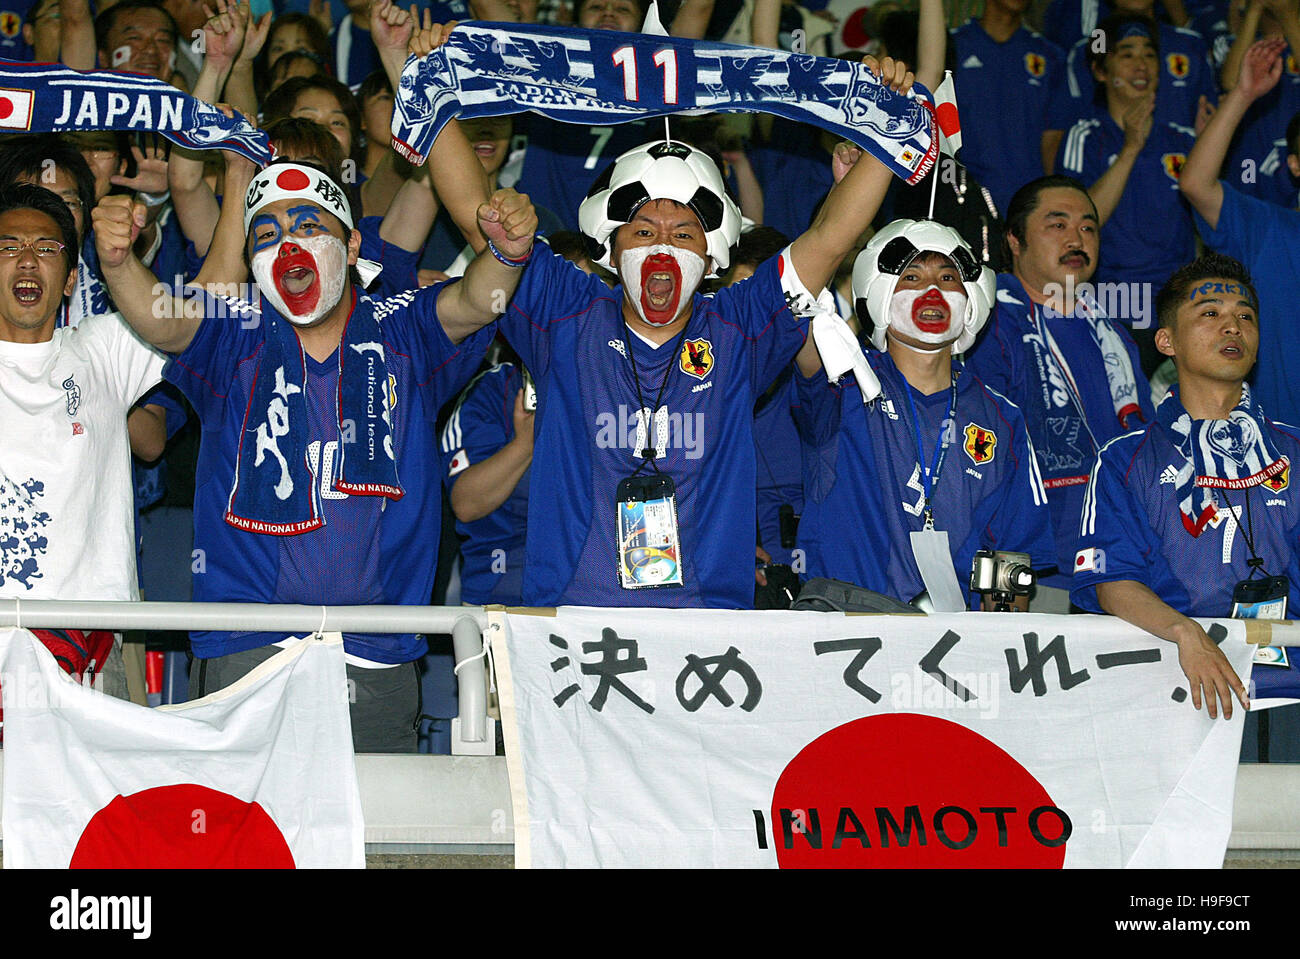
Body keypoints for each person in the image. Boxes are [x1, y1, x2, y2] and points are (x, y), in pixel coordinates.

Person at [91, 146, 536, 750]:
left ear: (352, 247)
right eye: (267, 234)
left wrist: (508, 249)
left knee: (372, 838)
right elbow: (161, 321)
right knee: (250, 840)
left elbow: (475, 300)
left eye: (309, 226)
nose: (289, 244)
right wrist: (118, 262)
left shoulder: (405, 332)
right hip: (247, 647)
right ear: (251, 263)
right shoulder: (232, 337)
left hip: (376, 652)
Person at [472, 37, 919, 607]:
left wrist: (880, 124)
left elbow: (830, 240)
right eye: (642, 232)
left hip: (707, 629)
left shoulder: (739, 325)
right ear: (609, 248)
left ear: (712, 257)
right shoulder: (568, 313)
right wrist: (428, 81)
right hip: (572, 625)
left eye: (684, 235)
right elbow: (476, 217)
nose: (663, 248)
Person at [793, 218, 1055, 608]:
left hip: (954, 643)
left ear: (972, 297)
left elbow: (1013, 555)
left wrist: (998, 639)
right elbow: (799, 295)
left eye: (949, 278)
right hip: (842, 629)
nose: (932, 290)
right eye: (911, 277)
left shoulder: (1003, 417)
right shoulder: (840, 382)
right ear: (877, 293)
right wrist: (844, 204)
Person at [1071, 253, 1274, 721]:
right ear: (1166, 341)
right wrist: (1186, 634)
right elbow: (1111, 582)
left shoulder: (1294, 452)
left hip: (1290, 686)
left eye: (1245, 317)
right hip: (1176, 688)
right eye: (1210, 314)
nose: (1233, 327)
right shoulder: (1124, 460)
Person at [0, 183, 165, 692]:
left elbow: (215, 295)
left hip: (87, 650)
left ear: (71, 279)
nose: (27, 261)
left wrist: (223, 172)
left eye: (46, 249)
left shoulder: (104, 350)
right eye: (8, 248)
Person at [963, 175, 1153, 600]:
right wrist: (1002, 588)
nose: (1077, 239)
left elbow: (1146, 448)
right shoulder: (990, 324)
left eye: (1088, 227)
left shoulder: (1113, 335)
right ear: (1014, 239)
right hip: (1034, 569)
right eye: (1058, 225)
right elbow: (983, 465)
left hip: (1119, 566)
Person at [1055, 12, 1200, 372]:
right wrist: (1131, 147)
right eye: (1127, 54)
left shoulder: (1183, 140)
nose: (1142, 65)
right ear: (1101, 72)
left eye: (1149, 54)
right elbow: (1079, 223)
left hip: (1178, 306)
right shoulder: (1085, 136)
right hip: (1117, 305)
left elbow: (1210, 225)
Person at [1181, 36, 1300, 425]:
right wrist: (1244, 93)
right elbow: (1196, 183)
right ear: (1295, 165)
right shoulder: (1268, 228)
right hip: (1276, 455)